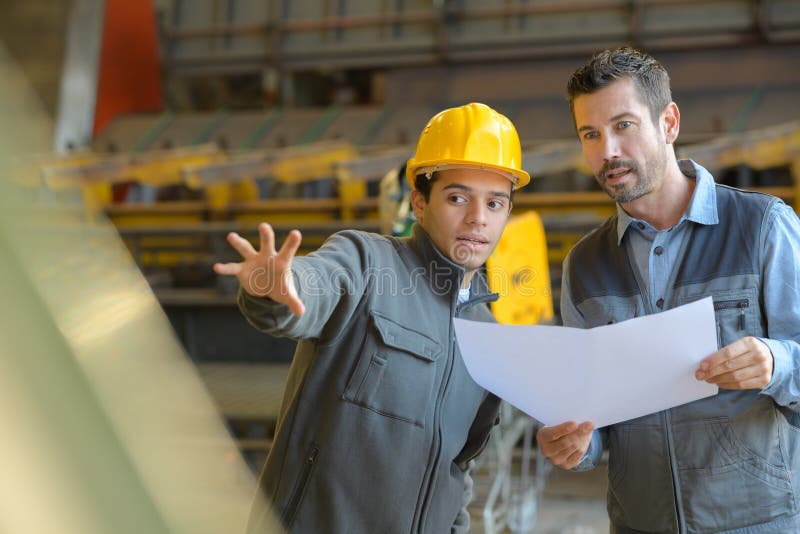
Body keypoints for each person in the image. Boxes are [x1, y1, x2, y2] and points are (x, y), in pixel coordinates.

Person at [214, 102, 531, 533]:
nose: (478, 218)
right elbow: (314, 288)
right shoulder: (367, 263)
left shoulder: (486, 336)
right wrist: (276, 288)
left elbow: (458, 469)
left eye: (495, 203)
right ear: (419, 202)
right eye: (458, 197)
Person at [536, 46, 800, 532]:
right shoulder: (585, 266)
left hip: (757, 521)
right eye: (590, 134)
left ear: (669, 122)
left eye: (624, 125)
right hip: (640, 522)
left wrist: (776, 361)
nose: (607, 151)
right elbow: (594, 416)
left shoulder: (763, 227)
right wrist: (575, 445)